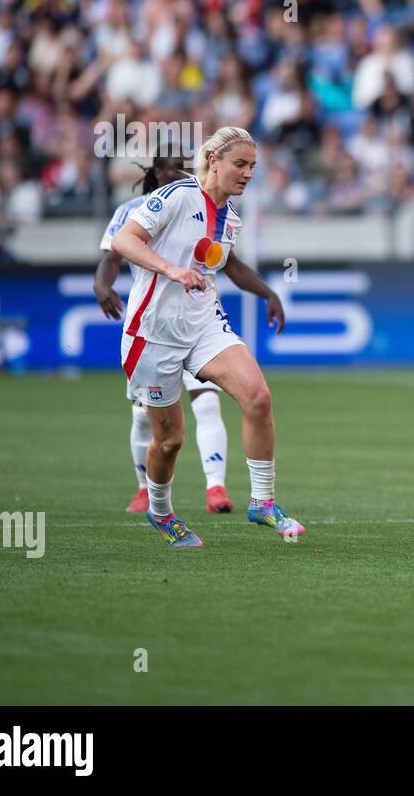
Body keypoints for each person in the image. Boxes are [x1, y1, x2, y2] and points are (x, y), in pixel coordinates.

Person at [111, 127, 303, 547]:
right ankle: (161, 513)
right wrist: (172, 270)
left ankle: (263, 501)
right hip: (152, 334)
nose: (248, 173)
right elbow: (125, 239)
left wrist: (263, 291)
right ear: (213, 160)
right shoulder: (177, 195)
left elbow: (218, 266)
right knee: (170, 441)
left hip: (204, 327)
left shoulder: (230, 218)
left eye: (253, 166)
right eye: (240, 164)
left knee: (258, 398)